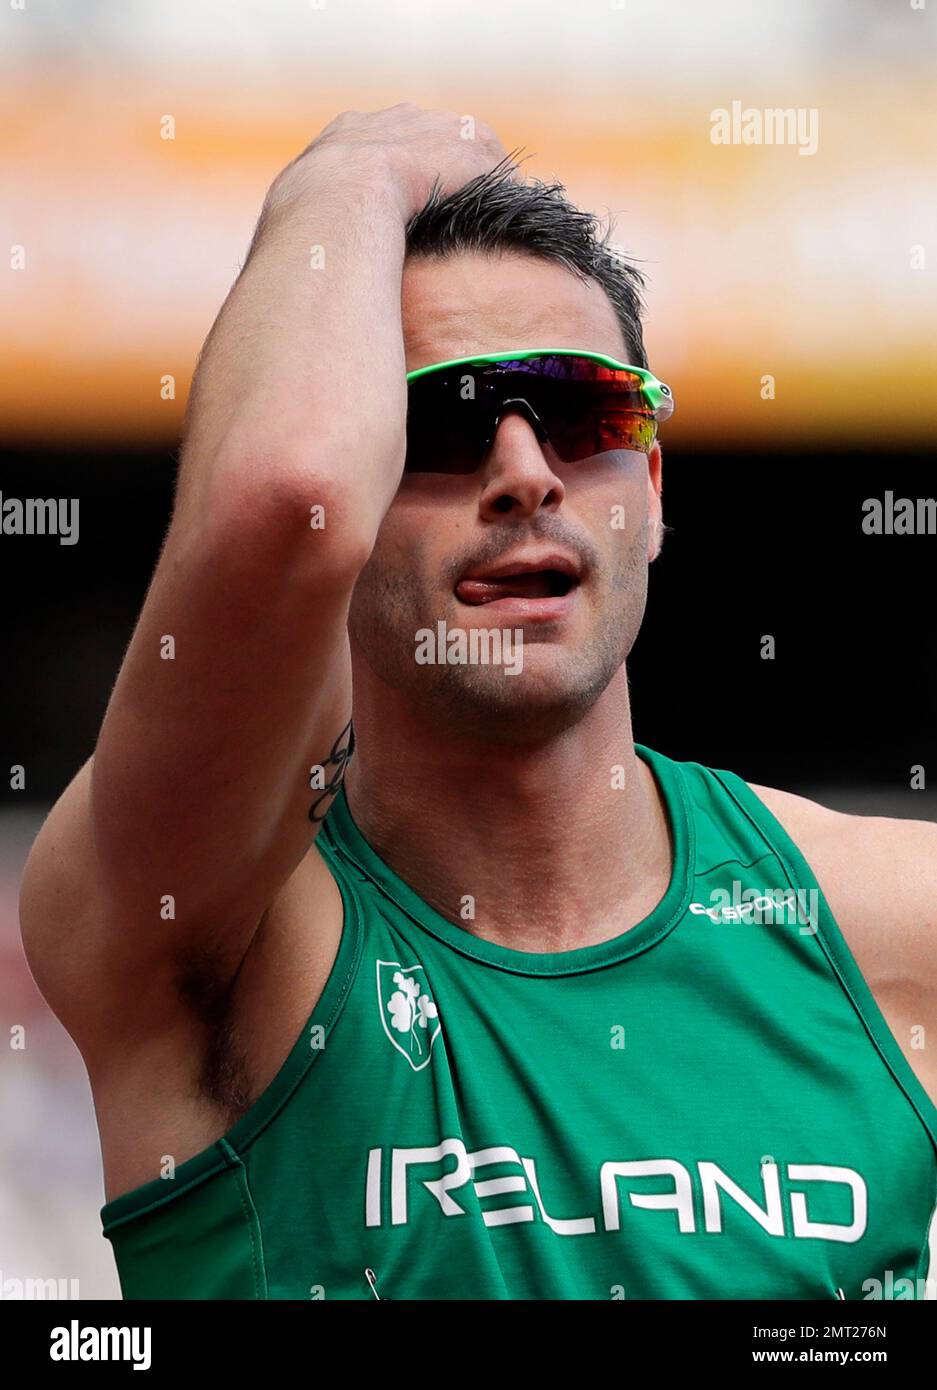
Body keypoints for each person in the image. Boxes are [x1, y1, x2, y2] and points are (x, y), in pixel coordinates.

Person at [19, 105, 937, 1301]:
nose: (524, 472)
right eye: (438, 424)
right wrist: (360, 165)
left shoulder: (889, 926)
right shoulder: (212, 924)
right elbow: (278, 501)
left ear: (650, 486)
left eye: (582, 413)